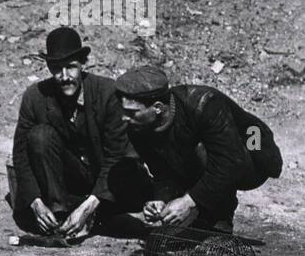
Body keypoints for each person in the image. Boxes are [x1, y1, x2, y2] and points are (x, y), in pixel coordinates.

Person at [112, 65, 282, 233]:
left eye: (131, 112)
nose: (123, 117)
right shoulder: (138, 126)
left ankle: (219, 219)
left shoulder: (204, 103)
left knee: (200, 150)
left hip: (255, 150)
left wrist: (189, 201)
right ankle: (205, 214)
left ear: (157, 107)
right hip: (223, 156)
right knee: (187, 154)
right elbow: (162, 171)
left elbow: (229, 161)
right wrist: (160, 200)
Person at [9, 28, 132, 237]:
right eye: (57, 69)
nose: (64, 77)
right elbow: (21, 156)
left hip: (104, 180)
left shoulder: (108, 93)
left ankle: (92, 211)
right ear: (48, 67)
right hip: (67, 180)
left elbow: (116, 156)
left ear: (83, 63)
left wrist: (88, 207)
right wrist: (36, 203)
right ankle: (60, 213)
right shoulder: (35, 97)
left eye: (71, 67)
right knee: (40, 136)